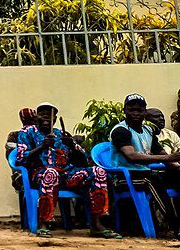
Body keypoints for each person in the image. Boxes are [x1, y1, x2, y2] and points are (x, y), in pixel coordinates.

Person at [16, 102, 119, 238]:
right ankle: (44, 223)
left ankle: (96, 224)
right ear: (37, 117)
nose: (46, 117)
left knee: (98, 172)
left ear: (55, 118)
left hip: (66, 174)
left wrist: (72, 146)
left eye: (50, 115)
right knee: (50, 173)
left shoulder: (61, 134)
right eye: (42, 114)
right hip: (40, 173)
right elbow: (21, 159)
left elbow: (83, 160)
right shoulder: (27, 132)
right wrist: (42, 147)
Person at [110, 95, 180, 236]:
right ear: (125, 111)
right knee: (153, 178)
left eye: (139, 110)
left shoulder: (148, 131)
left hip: (145, 173)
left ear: (144, 112)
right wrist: (169, 157)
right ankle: (174, 226)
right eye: (132, 109)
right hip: (124, 177)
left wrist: (176, 165)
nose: (135, 113)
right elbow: (132, 156)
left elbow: (159, 152)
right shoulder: (121, 131)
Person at [7, 107, 38, 191]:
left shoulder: (45, 135)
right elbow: (15, 158)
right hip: (24, 170)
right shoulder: (15, 136)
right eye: (31, 121)